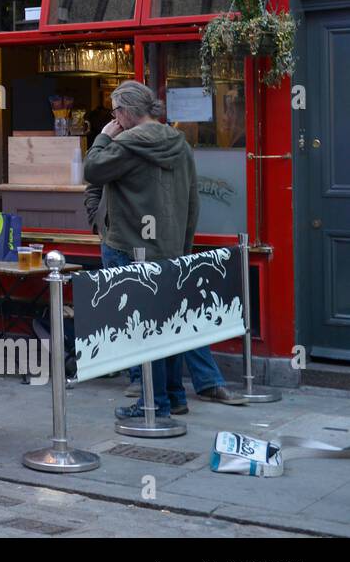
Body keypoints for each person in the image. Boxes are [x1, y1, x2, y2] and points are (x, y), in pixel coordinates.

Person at [84, 80, 242, 418]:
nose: (114, 118)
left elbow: (92, 169)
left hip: (128, 244)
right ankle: (175, 396)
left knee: (141, 329)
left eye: (115, 113)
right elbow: (192, 200)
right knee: (169, 325)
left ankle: (152, 403)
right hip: (169, 246)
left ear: (125, 113)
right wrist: (182, 244)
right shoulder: (180, 143)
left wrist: (103, 136)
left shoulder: (125, 143)